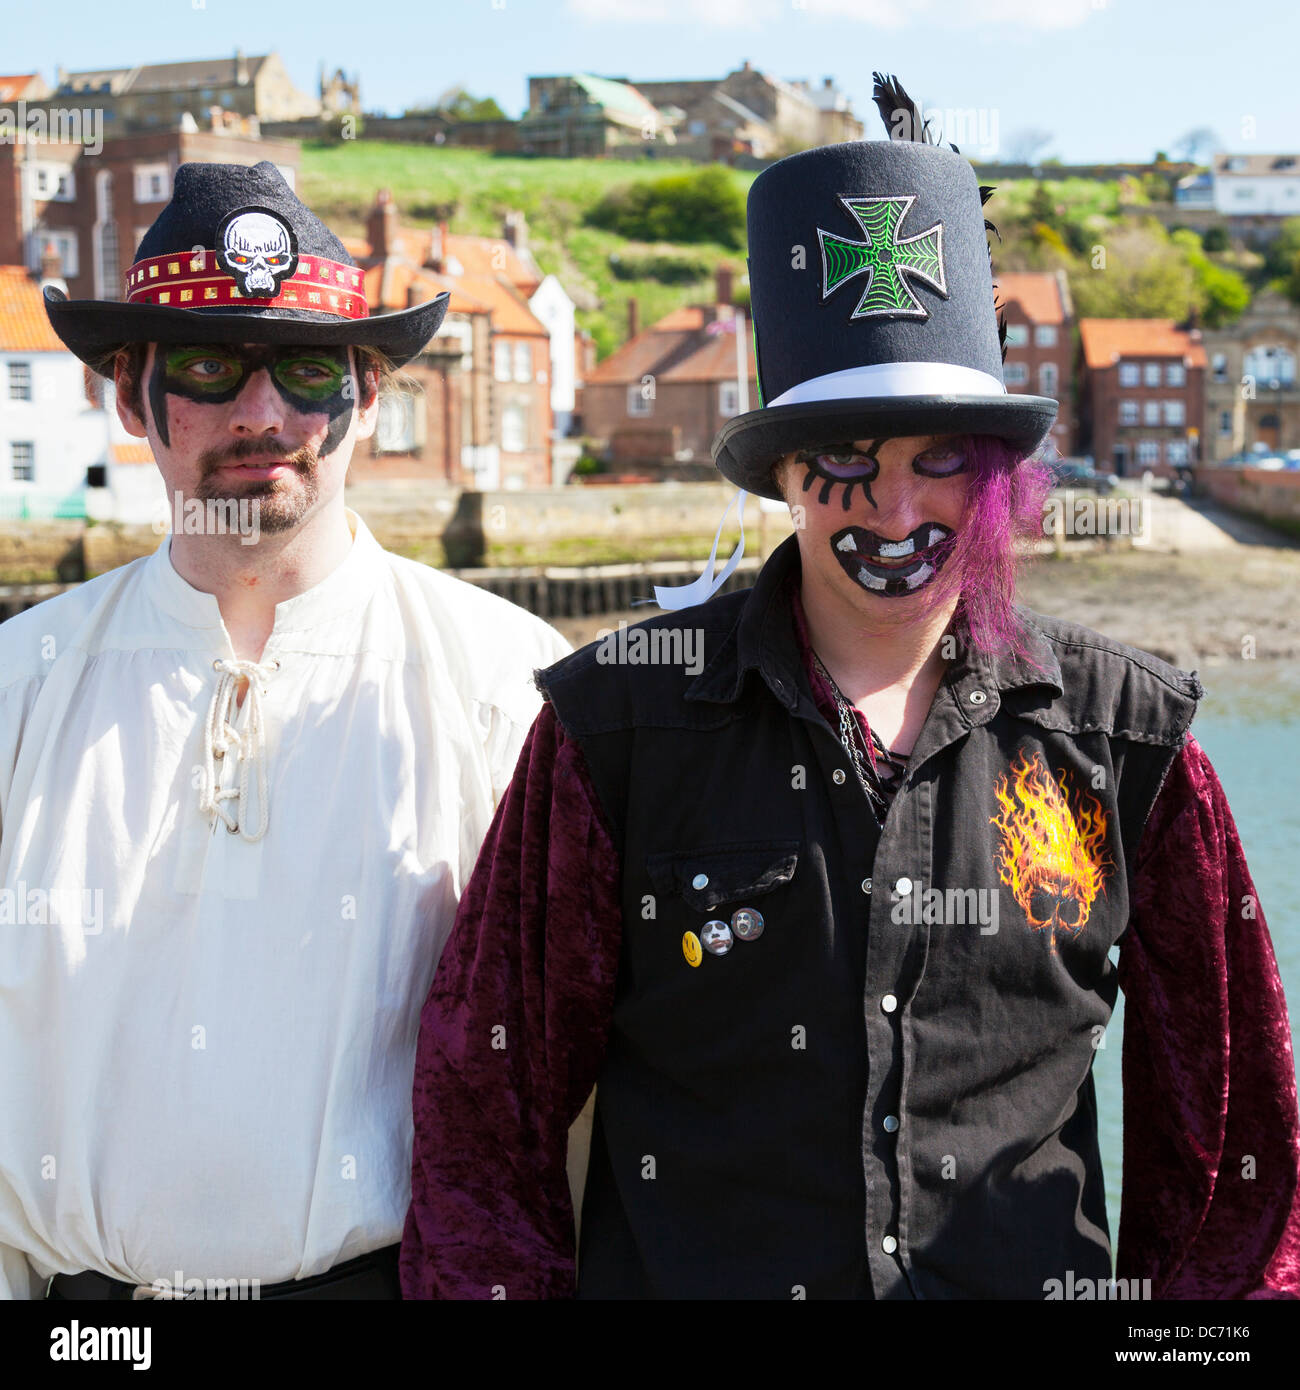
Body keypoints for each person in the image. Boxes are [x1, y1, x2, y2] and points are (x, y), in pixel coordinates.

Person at [401, 78, 1299, 1299]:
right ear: (781, 475)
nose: (896, 505)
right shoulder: (613, 732)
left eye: (942, 461)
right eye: (846, 460)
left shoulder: (1129, 741)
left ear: (996, 476)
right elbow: (483, 1125)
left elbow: (1231, 1151)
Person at [0, 161, 569, 1300]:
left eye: (306, 369)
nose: (263, 414)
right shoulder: (20, 685)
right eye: (211, 367)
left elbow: (578, 1076)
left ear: (364, 389)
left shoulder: (512, 687)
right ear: (131, 392)